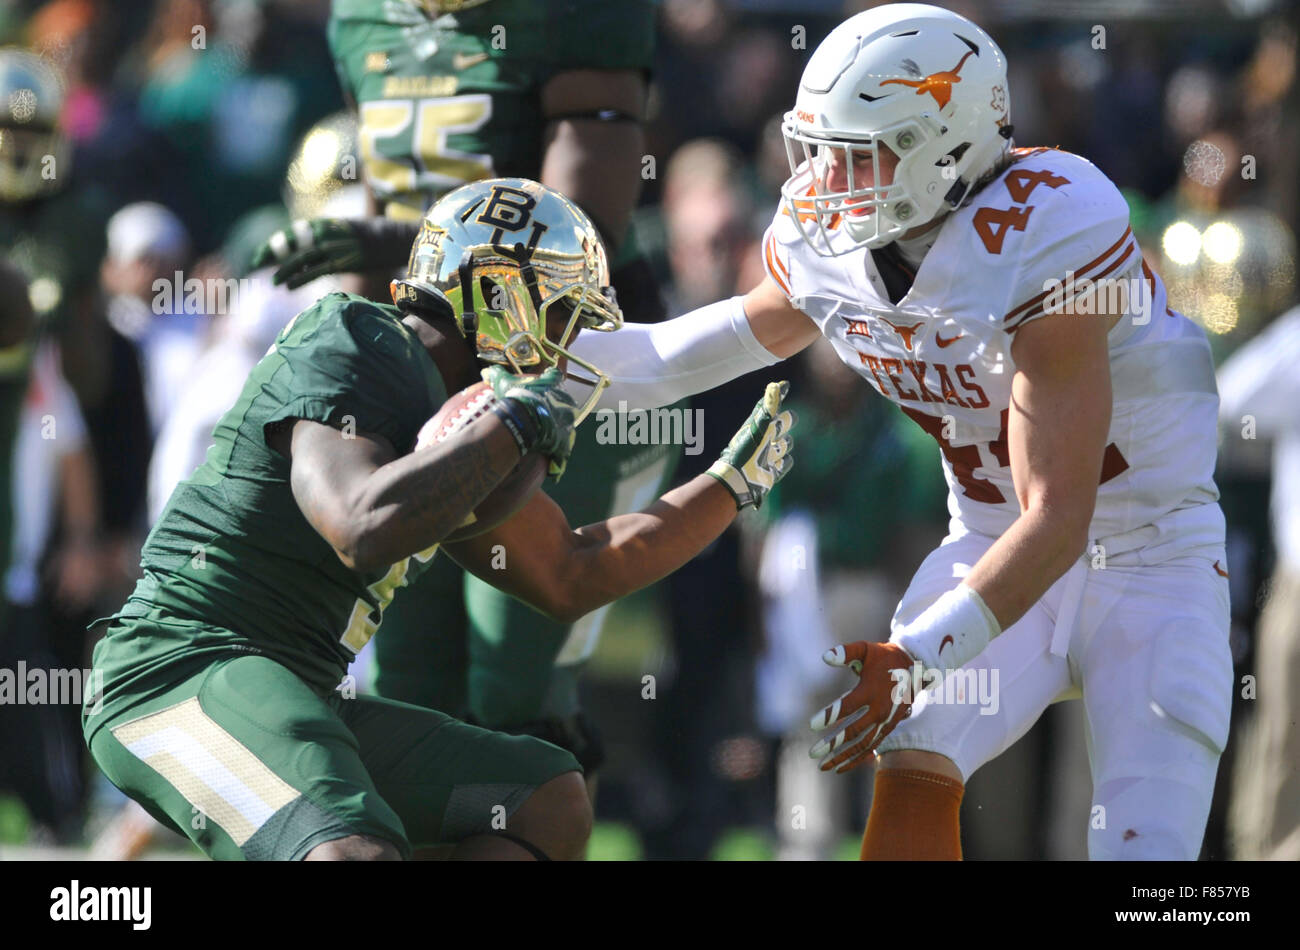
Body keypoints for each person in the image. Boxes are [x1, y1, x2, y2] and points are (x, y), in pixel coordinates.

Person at [565, 3, 1231, 860]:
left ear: (945, 147)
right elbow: (697, 349)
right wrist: (542, 363)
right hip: (991, 537)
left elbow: (1060, 517)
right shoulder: (830, 241)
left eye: (856, 153)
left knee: (1148, 857)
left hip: (1148, 556)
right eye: (820, 150)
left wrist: (918, 651)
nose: (824, 181)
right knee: (913, 757)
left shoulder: (1050, 226)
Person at [81, 177, 795, 861]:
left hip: (296, 690)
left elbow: (573, 573)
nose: (566, 342)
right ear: (497, 295)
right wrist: (515, 421)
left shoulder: (455, 423)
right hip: (177, 669)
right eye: (558, 311)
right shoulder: (352, 338)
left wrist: (729, 487)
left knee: (546, 796)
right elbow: (358, 523)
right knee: (349, 850)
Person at [249, 0, 681, 789]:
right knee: (409, 683)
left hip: (562, 367)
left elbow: (581, 241)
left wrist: (394, 242)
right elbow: (383, 207)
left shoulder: (573, 20)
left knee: (517, 690)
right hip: (430, 376)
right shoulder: (363, 21)